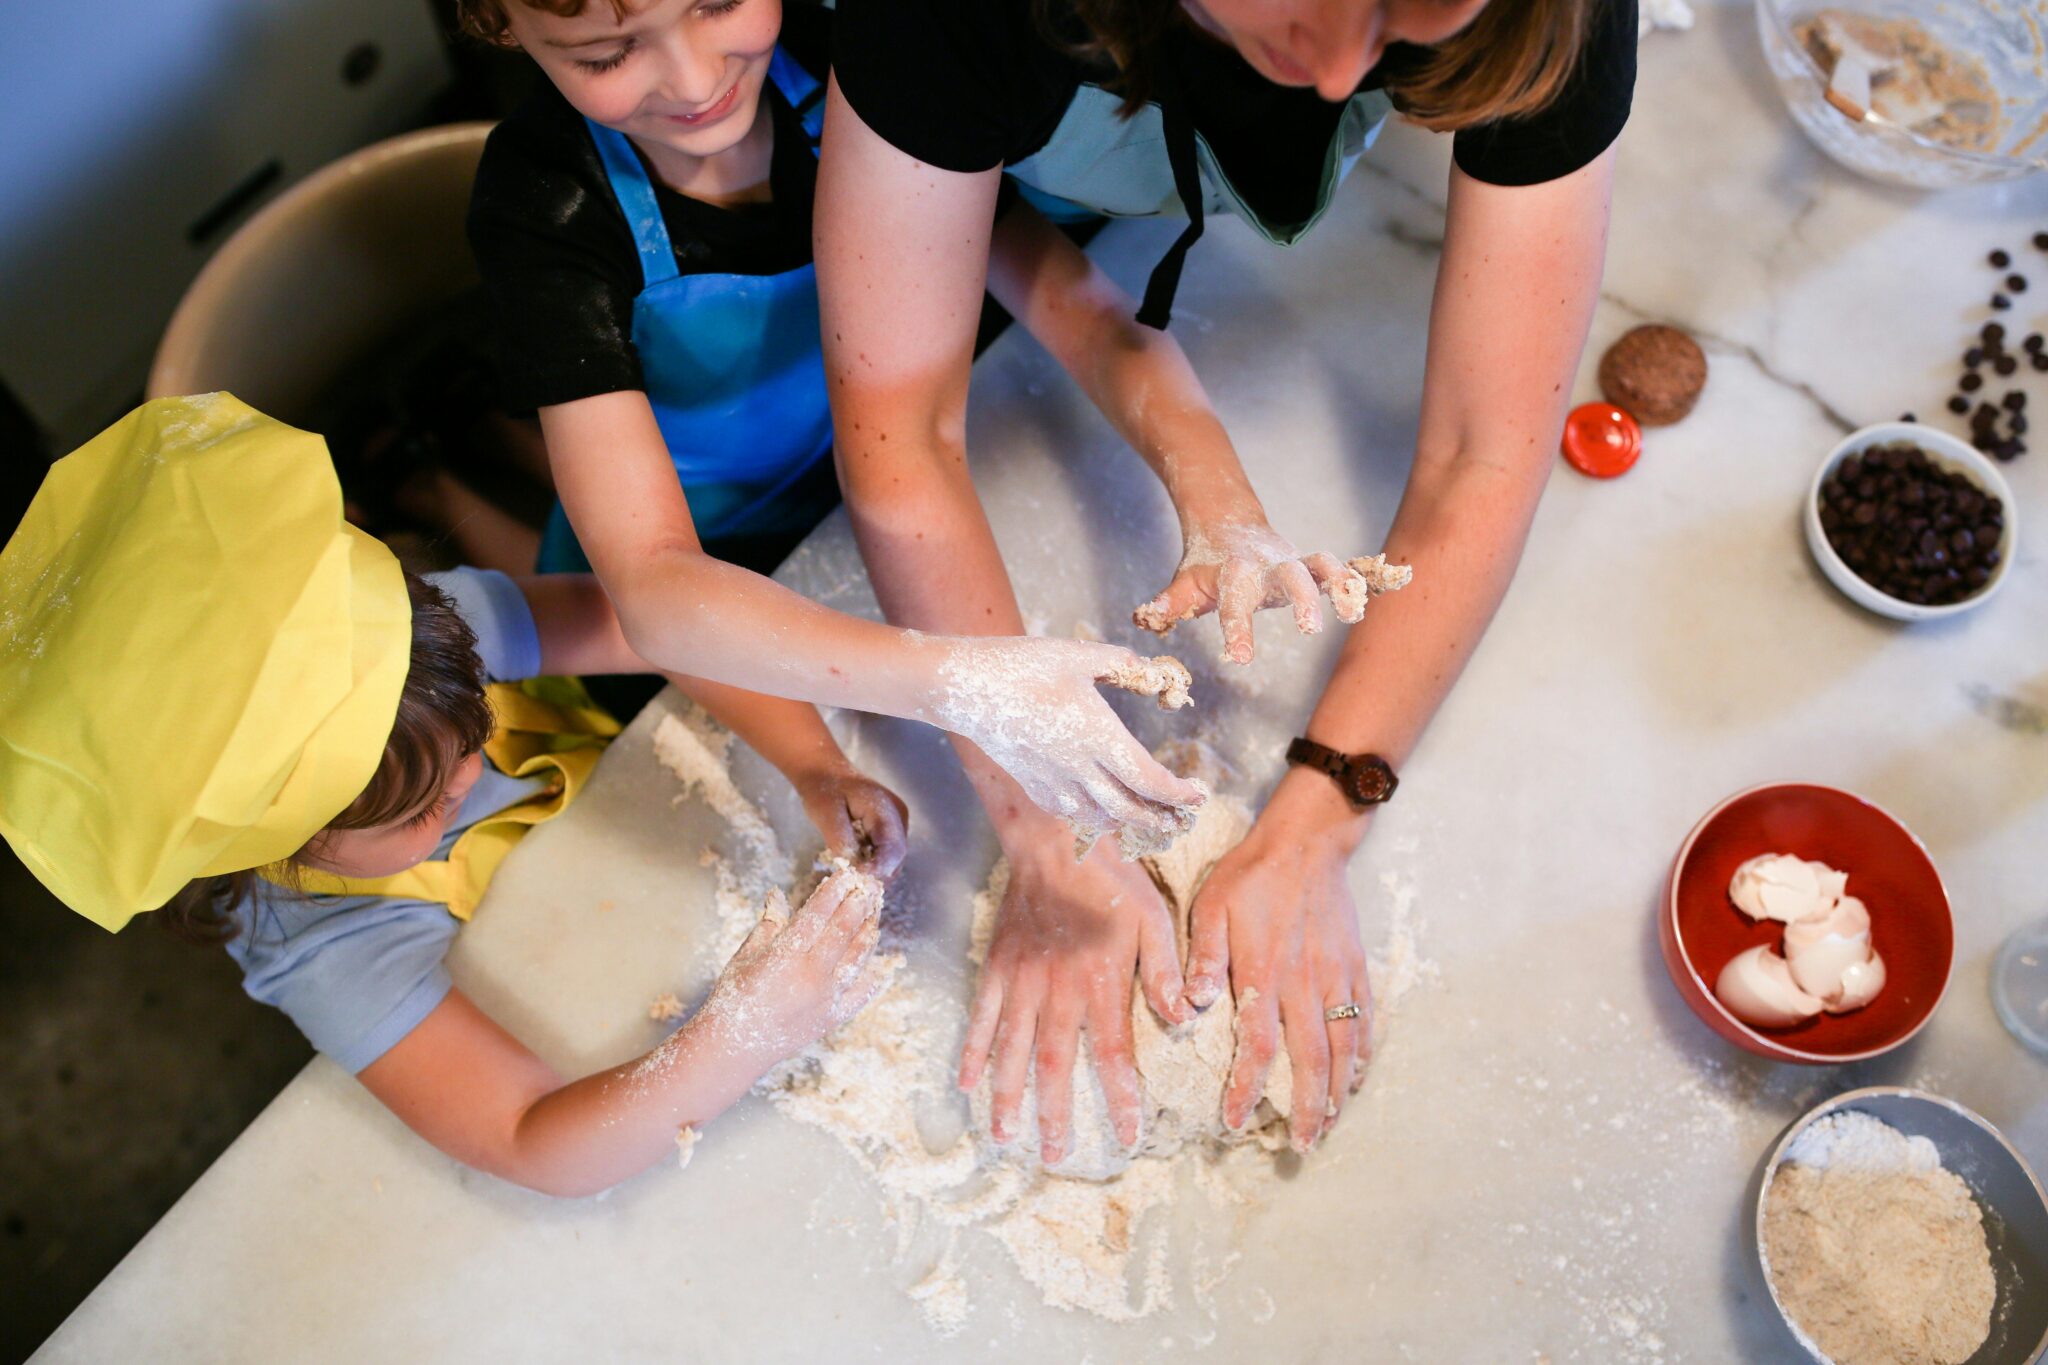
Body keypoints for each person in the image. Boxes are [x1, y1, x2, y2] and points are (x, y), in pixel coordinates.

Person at [815, 0, 1636, 1158]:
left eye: (1406, 20)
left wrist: (1322, 814)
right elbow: (902, 440)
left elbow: (1482, 453)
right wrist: (1045, 821)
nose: (1339, 71)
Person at [458, 0, 1360, 852]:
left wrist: (1221, 504)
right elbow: (655, 590)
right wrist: (943, 694)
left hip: (860, 515)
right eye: (609, 54)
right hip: (705, 583)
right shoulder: (543, 205)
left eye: (719, 3)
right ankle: (438, 468)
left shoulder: (861, 62)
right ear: (499, 24)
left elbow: (1085, 314)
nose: (695, 80)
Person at [0, 395, 907, 1196]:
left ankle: (421, 473)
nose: (471, 775)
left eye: (475, 731)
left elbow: (653, 627)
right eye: (426, 806)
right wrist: (743, 1033)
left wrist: (814, 762)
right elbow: (529, 1139)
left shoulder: (405, 642)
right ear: (288, 846)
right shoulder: (319, 941)